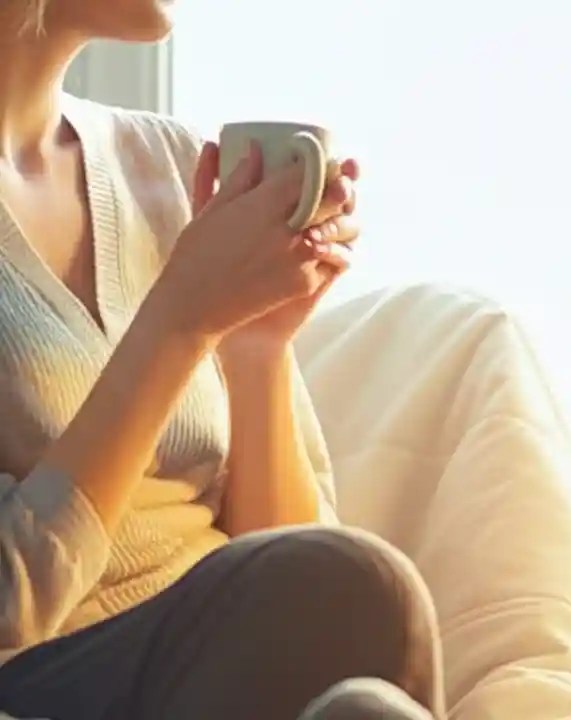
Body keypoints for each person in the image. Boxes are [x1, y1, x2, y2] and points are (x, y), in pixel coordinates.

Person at [0, 0, 444, 717]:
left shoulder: (170, 165)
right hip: (46, 685)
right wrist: (179, 323)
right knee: (359, 584)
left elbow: (297, 582)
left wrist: (256, 348)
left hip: (223, 681)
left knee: (366, 699)